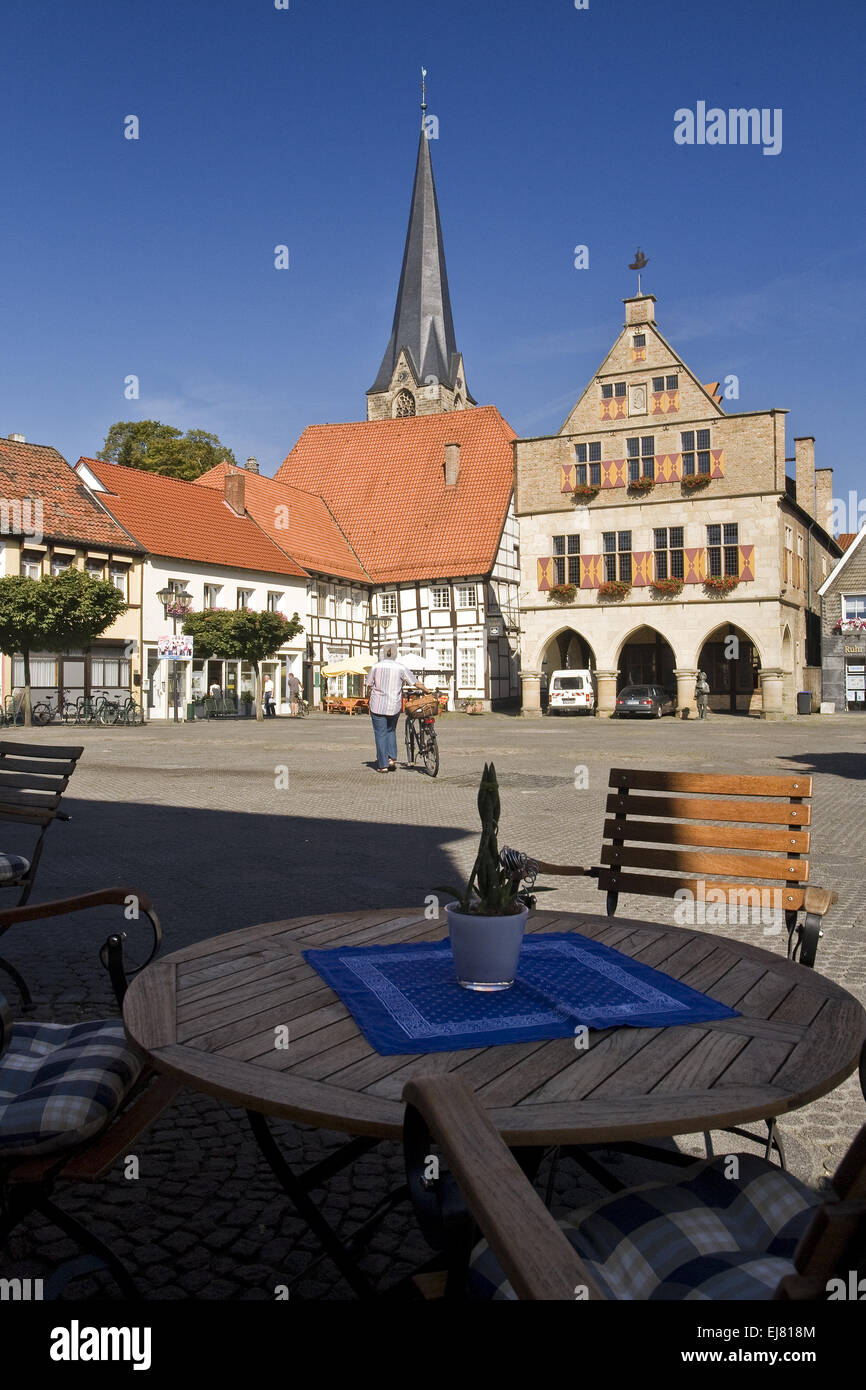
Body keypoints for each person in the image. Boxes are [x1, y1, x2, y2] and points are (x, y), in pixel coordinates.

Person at [364, 646, 425, 773]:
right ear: (395, 654)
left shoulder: (376, 666)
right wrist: (427, 690)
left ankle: (383, 765)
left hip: (377, 706)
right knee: (391, 731)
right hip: (394, 705)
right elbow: (414, 682)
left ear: (383, 654)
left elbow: (368, 684)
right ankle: (391, 758)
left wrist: (370, 696)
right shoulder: (401, 667)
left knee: (380, 734)